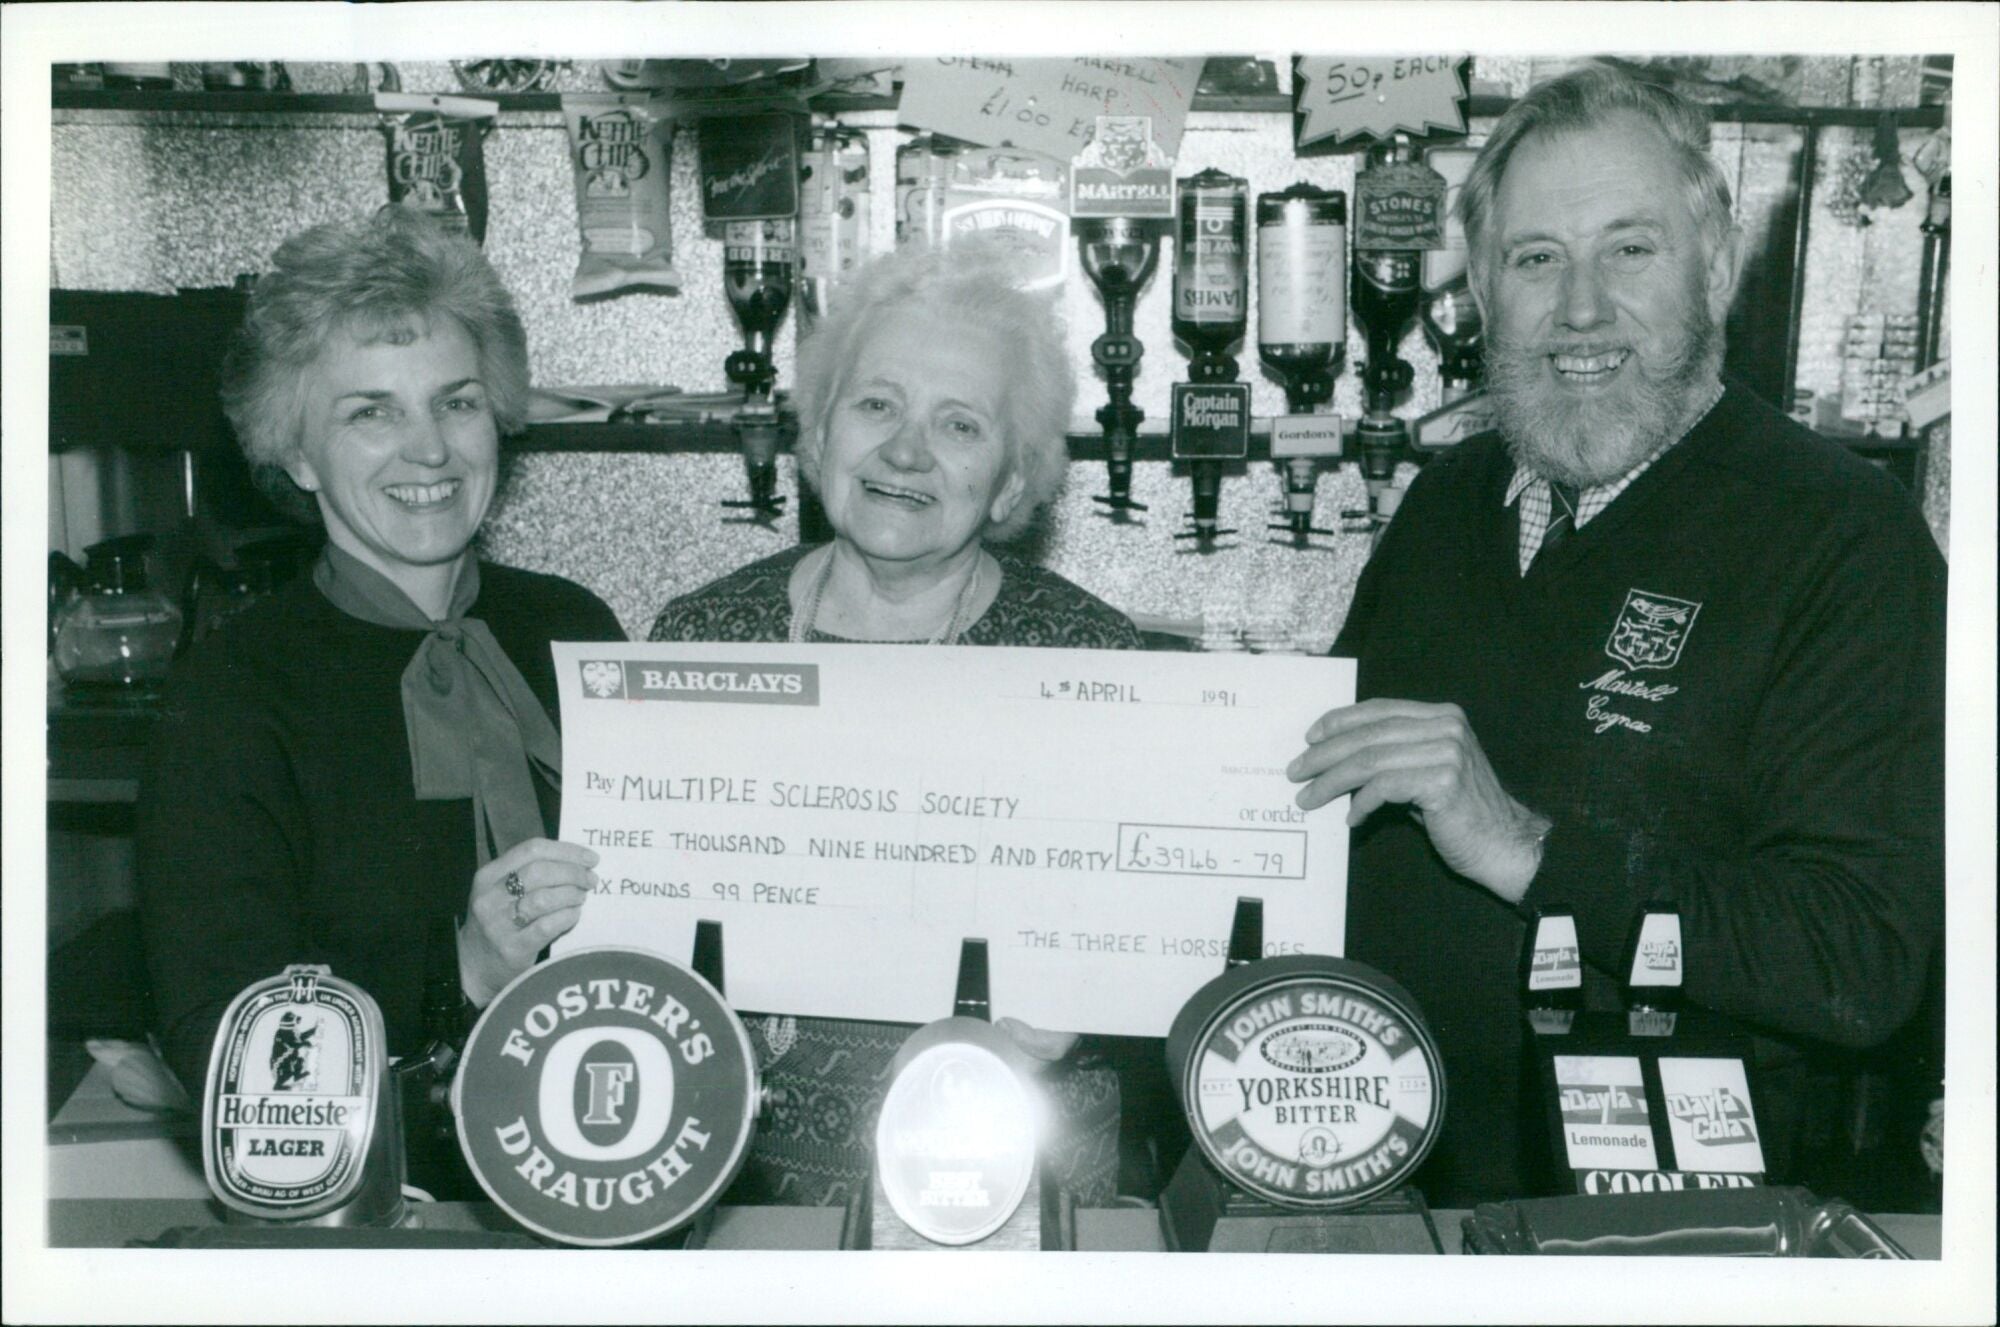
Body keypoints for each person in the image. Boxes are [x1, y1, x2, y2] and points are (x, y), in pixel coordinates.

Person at [1287, 66, 1946, 1204]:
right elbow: (1322, 812)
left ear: (1716, 269)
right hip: (1372, 1175)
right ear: (1482, 297)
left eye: (1628, 250)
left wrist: (1526, 848)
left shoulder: (1844, 536)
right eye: (1534, 259)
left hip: (1660, 1224)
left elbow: (1859, 958)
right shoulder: (1448, 501)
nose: (1578, 309)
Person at [138, 206, 624, 1196]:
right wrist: (461, 969)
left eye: (456, 402)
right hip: (375, 1206)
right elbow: (217, 1039)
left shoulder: (575, 625)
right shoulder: (230, 689)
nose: (430, 450)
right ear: (297, 452)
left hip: (615, 1156)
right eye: (371, 412)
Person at [649, 241, 1145, 1208]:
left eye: (959, 425)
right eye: (876, 404)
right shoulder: (700, 639)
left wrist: (1083, 1006)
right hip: (733, 1187)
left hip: (1008, 1182)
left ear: (1009, 482)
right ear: (817, 432)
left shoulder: (1092, 659)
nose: (906, 451)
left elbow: (1153, 953)